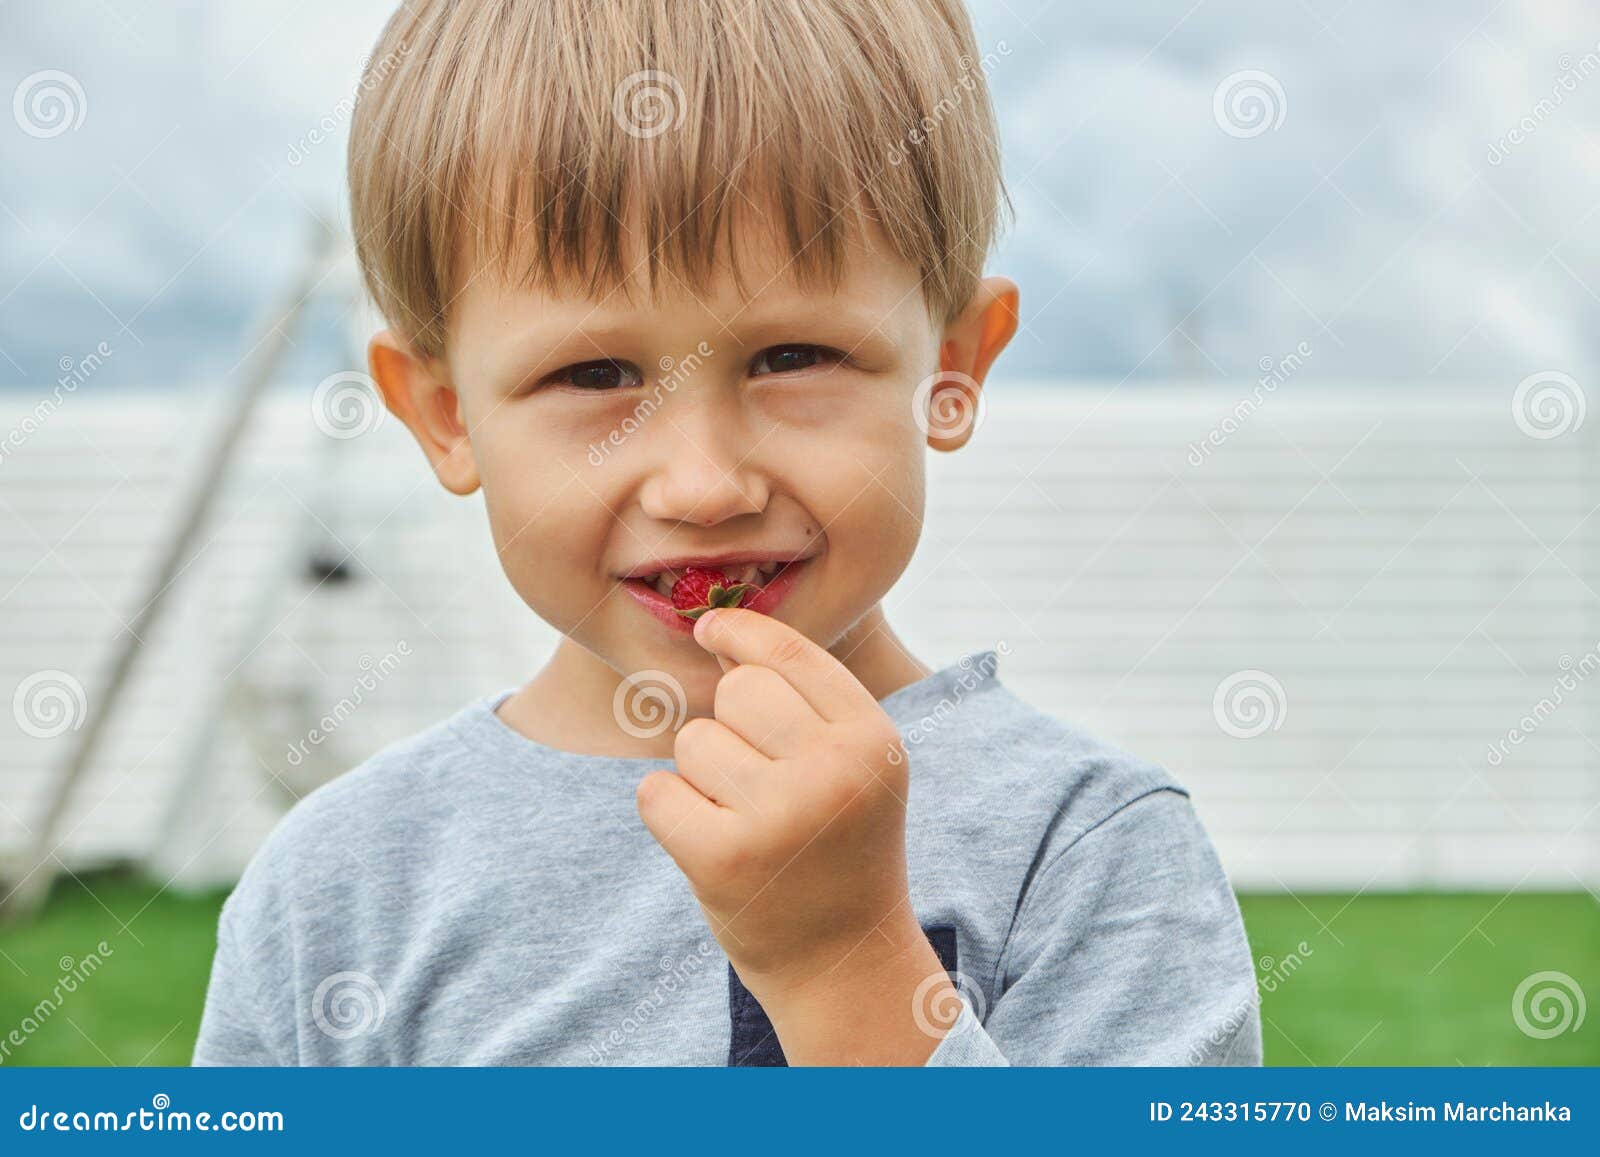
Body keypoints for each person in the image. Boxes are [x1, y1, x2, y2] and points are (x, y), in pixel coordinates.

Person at [193, 0, 1261, 1066]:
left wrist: (844, 962)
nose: (703, 485)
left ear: (951, 369)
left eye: (792, 356)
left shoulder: (1083, 850)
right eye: (594, 375)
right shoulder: (336, 892)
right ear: (444, 416)